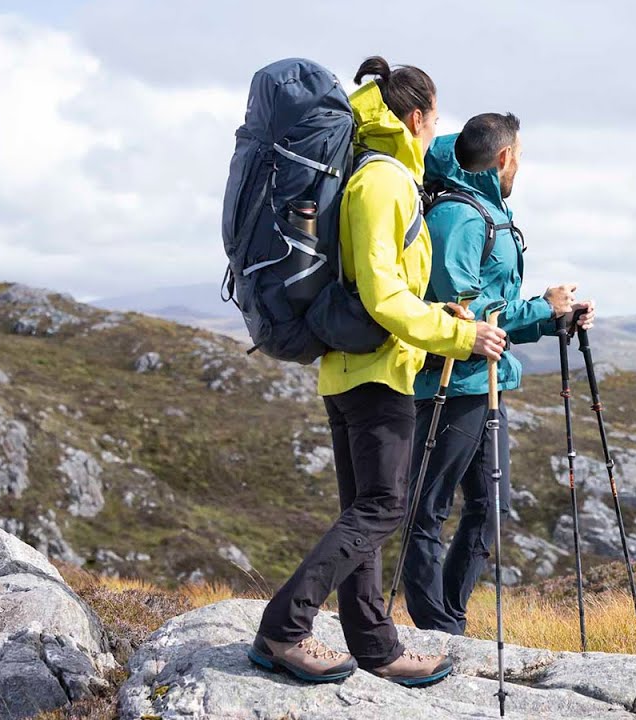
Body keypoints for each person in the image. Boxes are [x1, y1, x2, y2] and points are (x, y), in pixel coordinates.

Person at [249, 57, 509, 687]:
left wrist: (438, 313)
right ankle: (283, 628)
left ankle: (375, 646)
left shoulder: (375, 172)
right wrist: (462, 335)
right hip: (375, 372)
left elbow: (385, 285)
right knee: (385, 507)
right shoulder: (383, 180)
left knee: (365, 511)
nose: (436, 131)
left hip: (353, 368)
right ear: (416, 119)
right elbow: (381, 295)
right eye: (435, 119)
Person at [400, 112, 595, 634]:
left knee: (490, 509)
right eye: (520, 157)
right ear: (504, 157)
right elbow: (461, 308)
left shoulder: (487, 211)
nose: (520, 167)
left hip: (487, 382)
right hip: (452, 383)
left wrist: (555, 319)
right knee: (427, 509)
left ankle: (449, 620)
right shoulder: (458, 218)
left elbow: (497, 310)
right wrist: (541, 305)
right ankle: (435, 627)